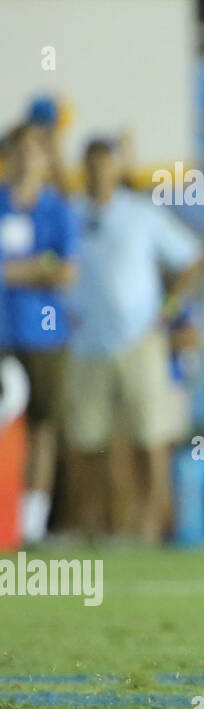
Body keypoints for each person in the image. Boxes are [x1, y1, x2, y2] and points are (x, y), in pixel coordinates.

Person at [62, 139, 204, 542]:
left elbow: (192, 257)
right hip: (86, 343)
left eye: (106, 166)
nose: (99, 174)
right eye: (92, 166)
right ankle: (91, 526)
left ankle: (149, 528)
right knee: (87, 443)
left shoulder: (141, 213)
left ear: (117, 169)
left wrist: (170, 307)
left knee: (150, 439)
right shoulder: (70, 214)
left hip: (140, 342)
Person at [0, 122, 78, 544]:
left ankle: (31, 523)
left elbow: (64, 271)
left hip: (44, 336)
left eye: (37, 148)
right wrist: (37, 267)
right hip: (2, 333)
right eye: (22, 148)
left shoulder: (56, 210)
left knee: (42, 428)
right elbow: (47, 265)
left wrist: (12, 271)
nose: (29, 156)